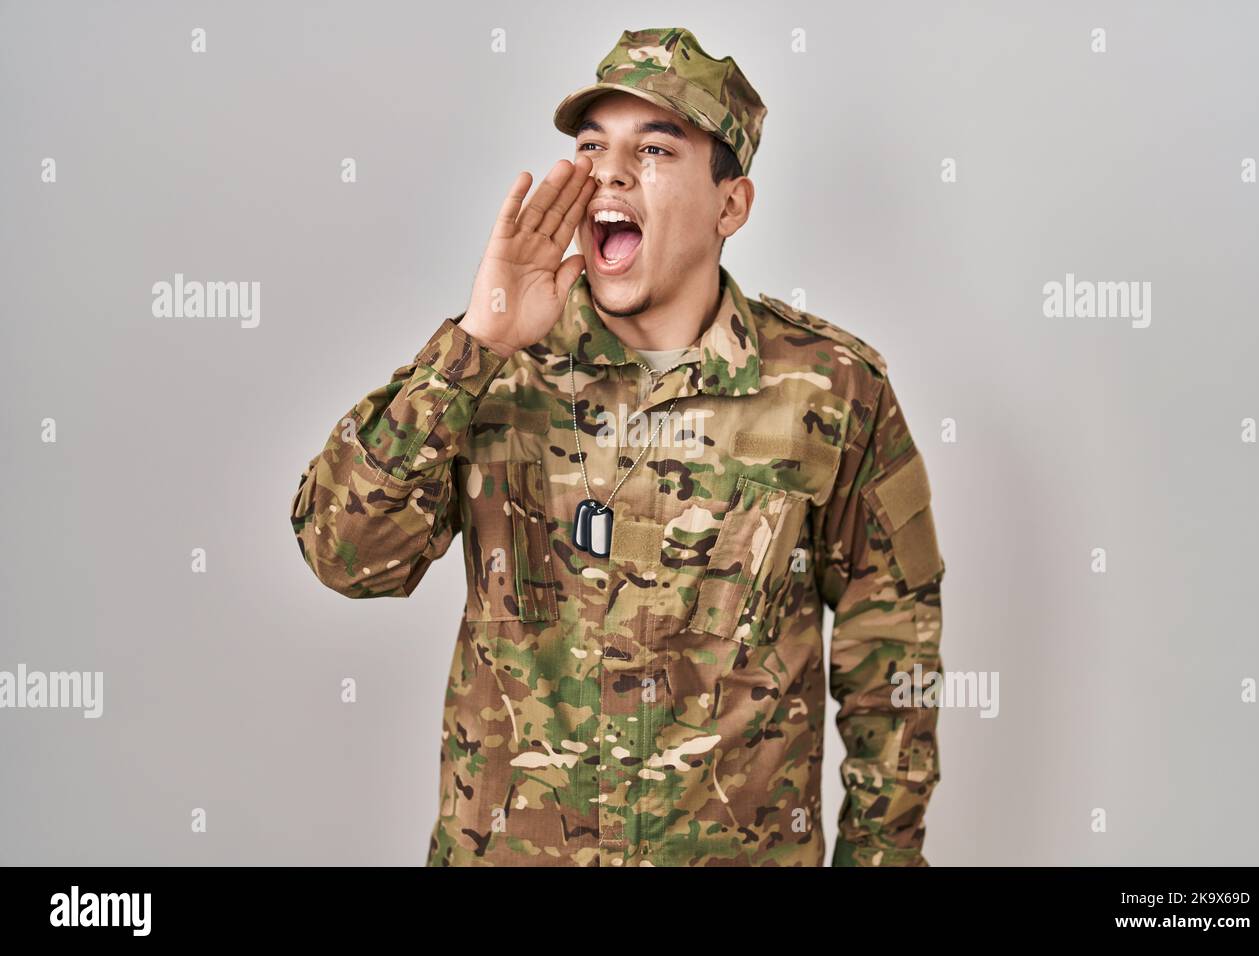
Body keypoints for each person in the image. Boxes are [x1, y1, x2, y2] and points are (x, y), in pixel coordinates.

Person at [290, 26, 947, 867]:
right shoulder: (495, 369)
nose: (610, 170)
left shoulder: (831, 387)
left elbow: (894, 651)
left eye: (657, 148)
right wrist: (476, 342)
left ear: (731, 205)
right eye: (592, 144)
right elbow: (344, 556)